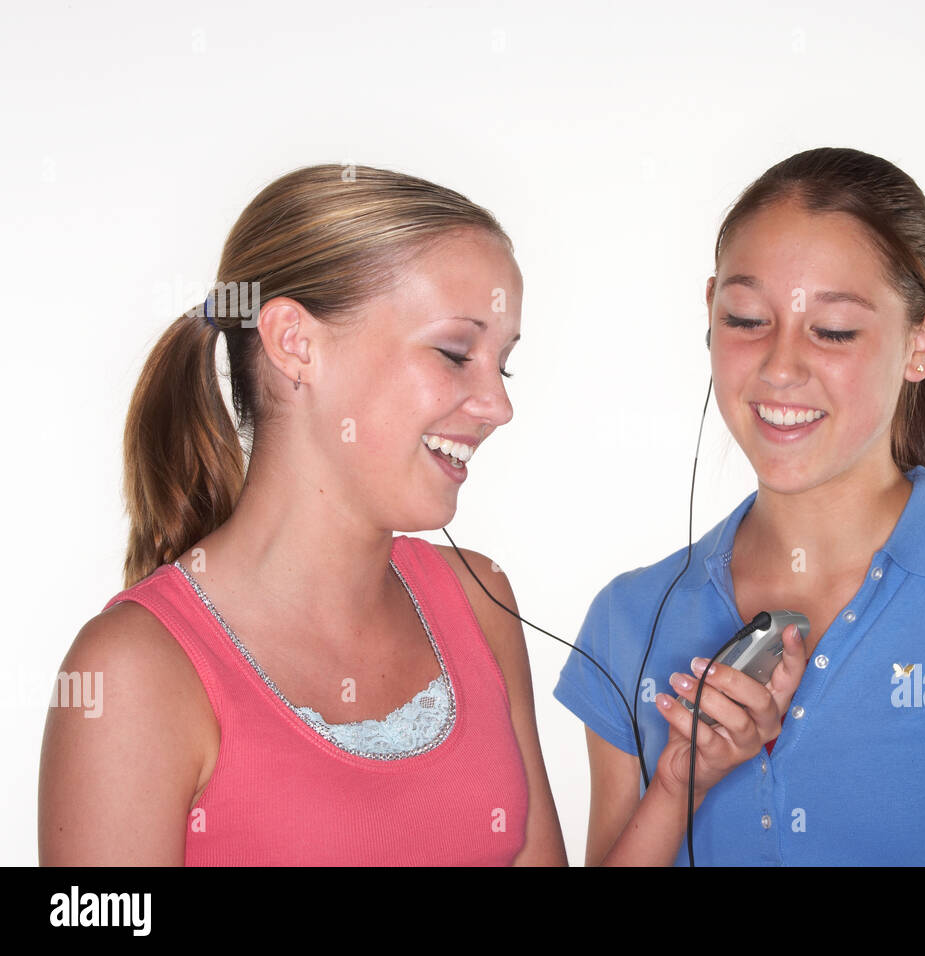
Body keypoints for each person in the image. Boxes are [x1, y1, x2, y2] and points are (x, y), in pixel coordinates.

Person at [554, 147, 925, 866]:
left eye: (832, 331)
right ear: (709, 312)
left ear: (921, 343)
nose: (780, 367)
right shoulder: (628, 621)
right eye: (744, 319)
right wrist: (680, 785)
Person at [38, 164, 568, 864]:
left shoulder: (480, 598)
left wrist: (679, 779)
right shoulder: (131, 674)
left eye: (502, 366)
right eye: (454, 353)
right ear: (295, 343)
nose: (498, 406)